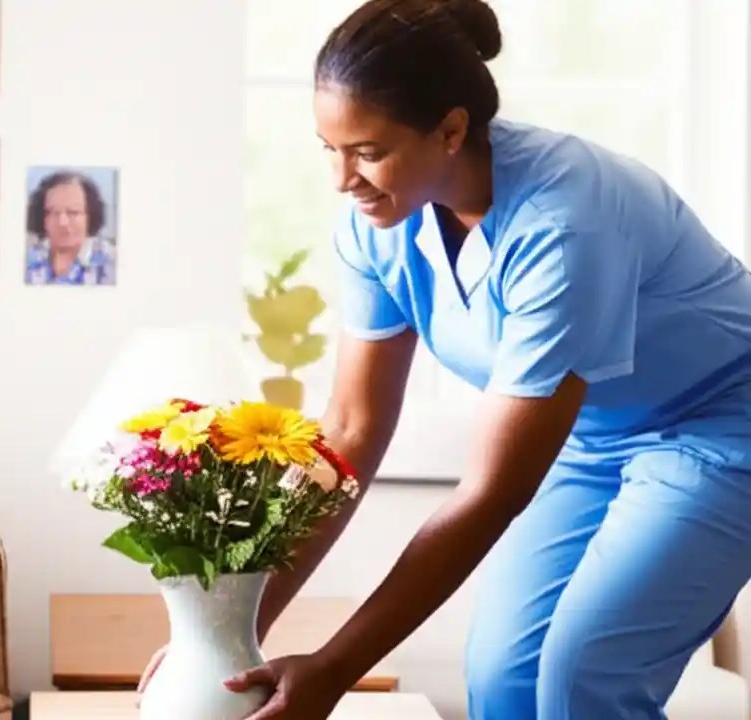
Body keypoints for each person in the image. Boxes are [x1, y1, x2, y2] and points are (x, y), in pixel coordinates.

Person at [141, 1, 751, 718]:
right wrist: (226, 635)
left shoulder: (564, 219)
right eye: (328, 149)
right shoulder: (378, 228)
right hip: (593, 436)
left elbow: (493, 489)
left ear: (452, 130)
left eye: (368, 151)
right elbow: (350, 434)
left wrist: (335, 668)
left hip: (721, 425)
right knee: (502, 679)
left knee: (583, 675)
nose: (343, 178)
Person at [25, 170, 116, 286]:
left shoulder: (114, 265)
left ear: (91, 215)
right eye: (53, 212)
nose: (62, 222)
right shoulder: (25, 261)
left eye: (73, 213)